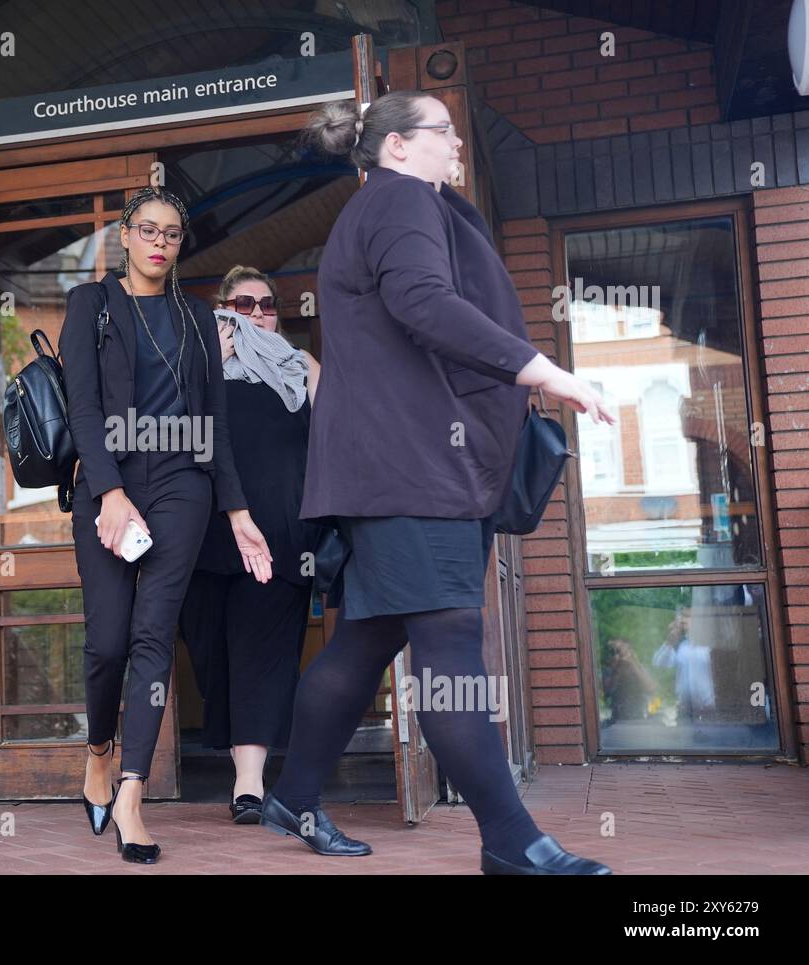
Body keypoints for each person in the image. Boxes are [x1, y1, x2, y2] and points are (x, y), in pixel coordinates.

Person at [260, 91, 616, 875]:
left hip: (398, 467)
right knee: (451, 642)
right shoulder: (399, 201)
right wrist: (547, 372)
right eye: (443, 131)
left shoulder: (398, 202)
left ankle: (292, 794)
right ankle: (511, 840)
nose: (458, 141)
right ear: (395, 147)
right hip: (410, 469)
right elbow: (424, 302)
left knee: (369, 634)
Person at [59, 186, 273, 864]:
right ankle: (98, 749)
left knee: (154, 637)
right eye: (147, 230)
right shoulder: (90, 305)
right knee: (108, 642)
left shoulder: (195, 318)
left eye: (172, 234)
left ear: (180, 244)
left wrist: (238, 511)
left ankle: (130, 796)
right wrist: (111, 493)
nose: (159, 242)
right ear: (124, 235)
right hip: (108, 483)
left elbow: (215, 427)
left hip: (181, 484)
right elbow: (84, 411)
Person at [178, 265, 320, 824]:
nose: (258, 314)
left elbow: (341, 430)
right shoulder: (200, 362)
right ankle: (241, 766)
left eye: (268, 305)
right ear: (223, 308)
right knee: (214, 654)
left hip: (281, 533)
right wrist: (201, 366)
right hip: (207, 533)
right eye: (244, 304)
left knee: (263, 655)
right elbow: (166, 428)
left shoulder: (300, 366)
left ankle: (249, 785)